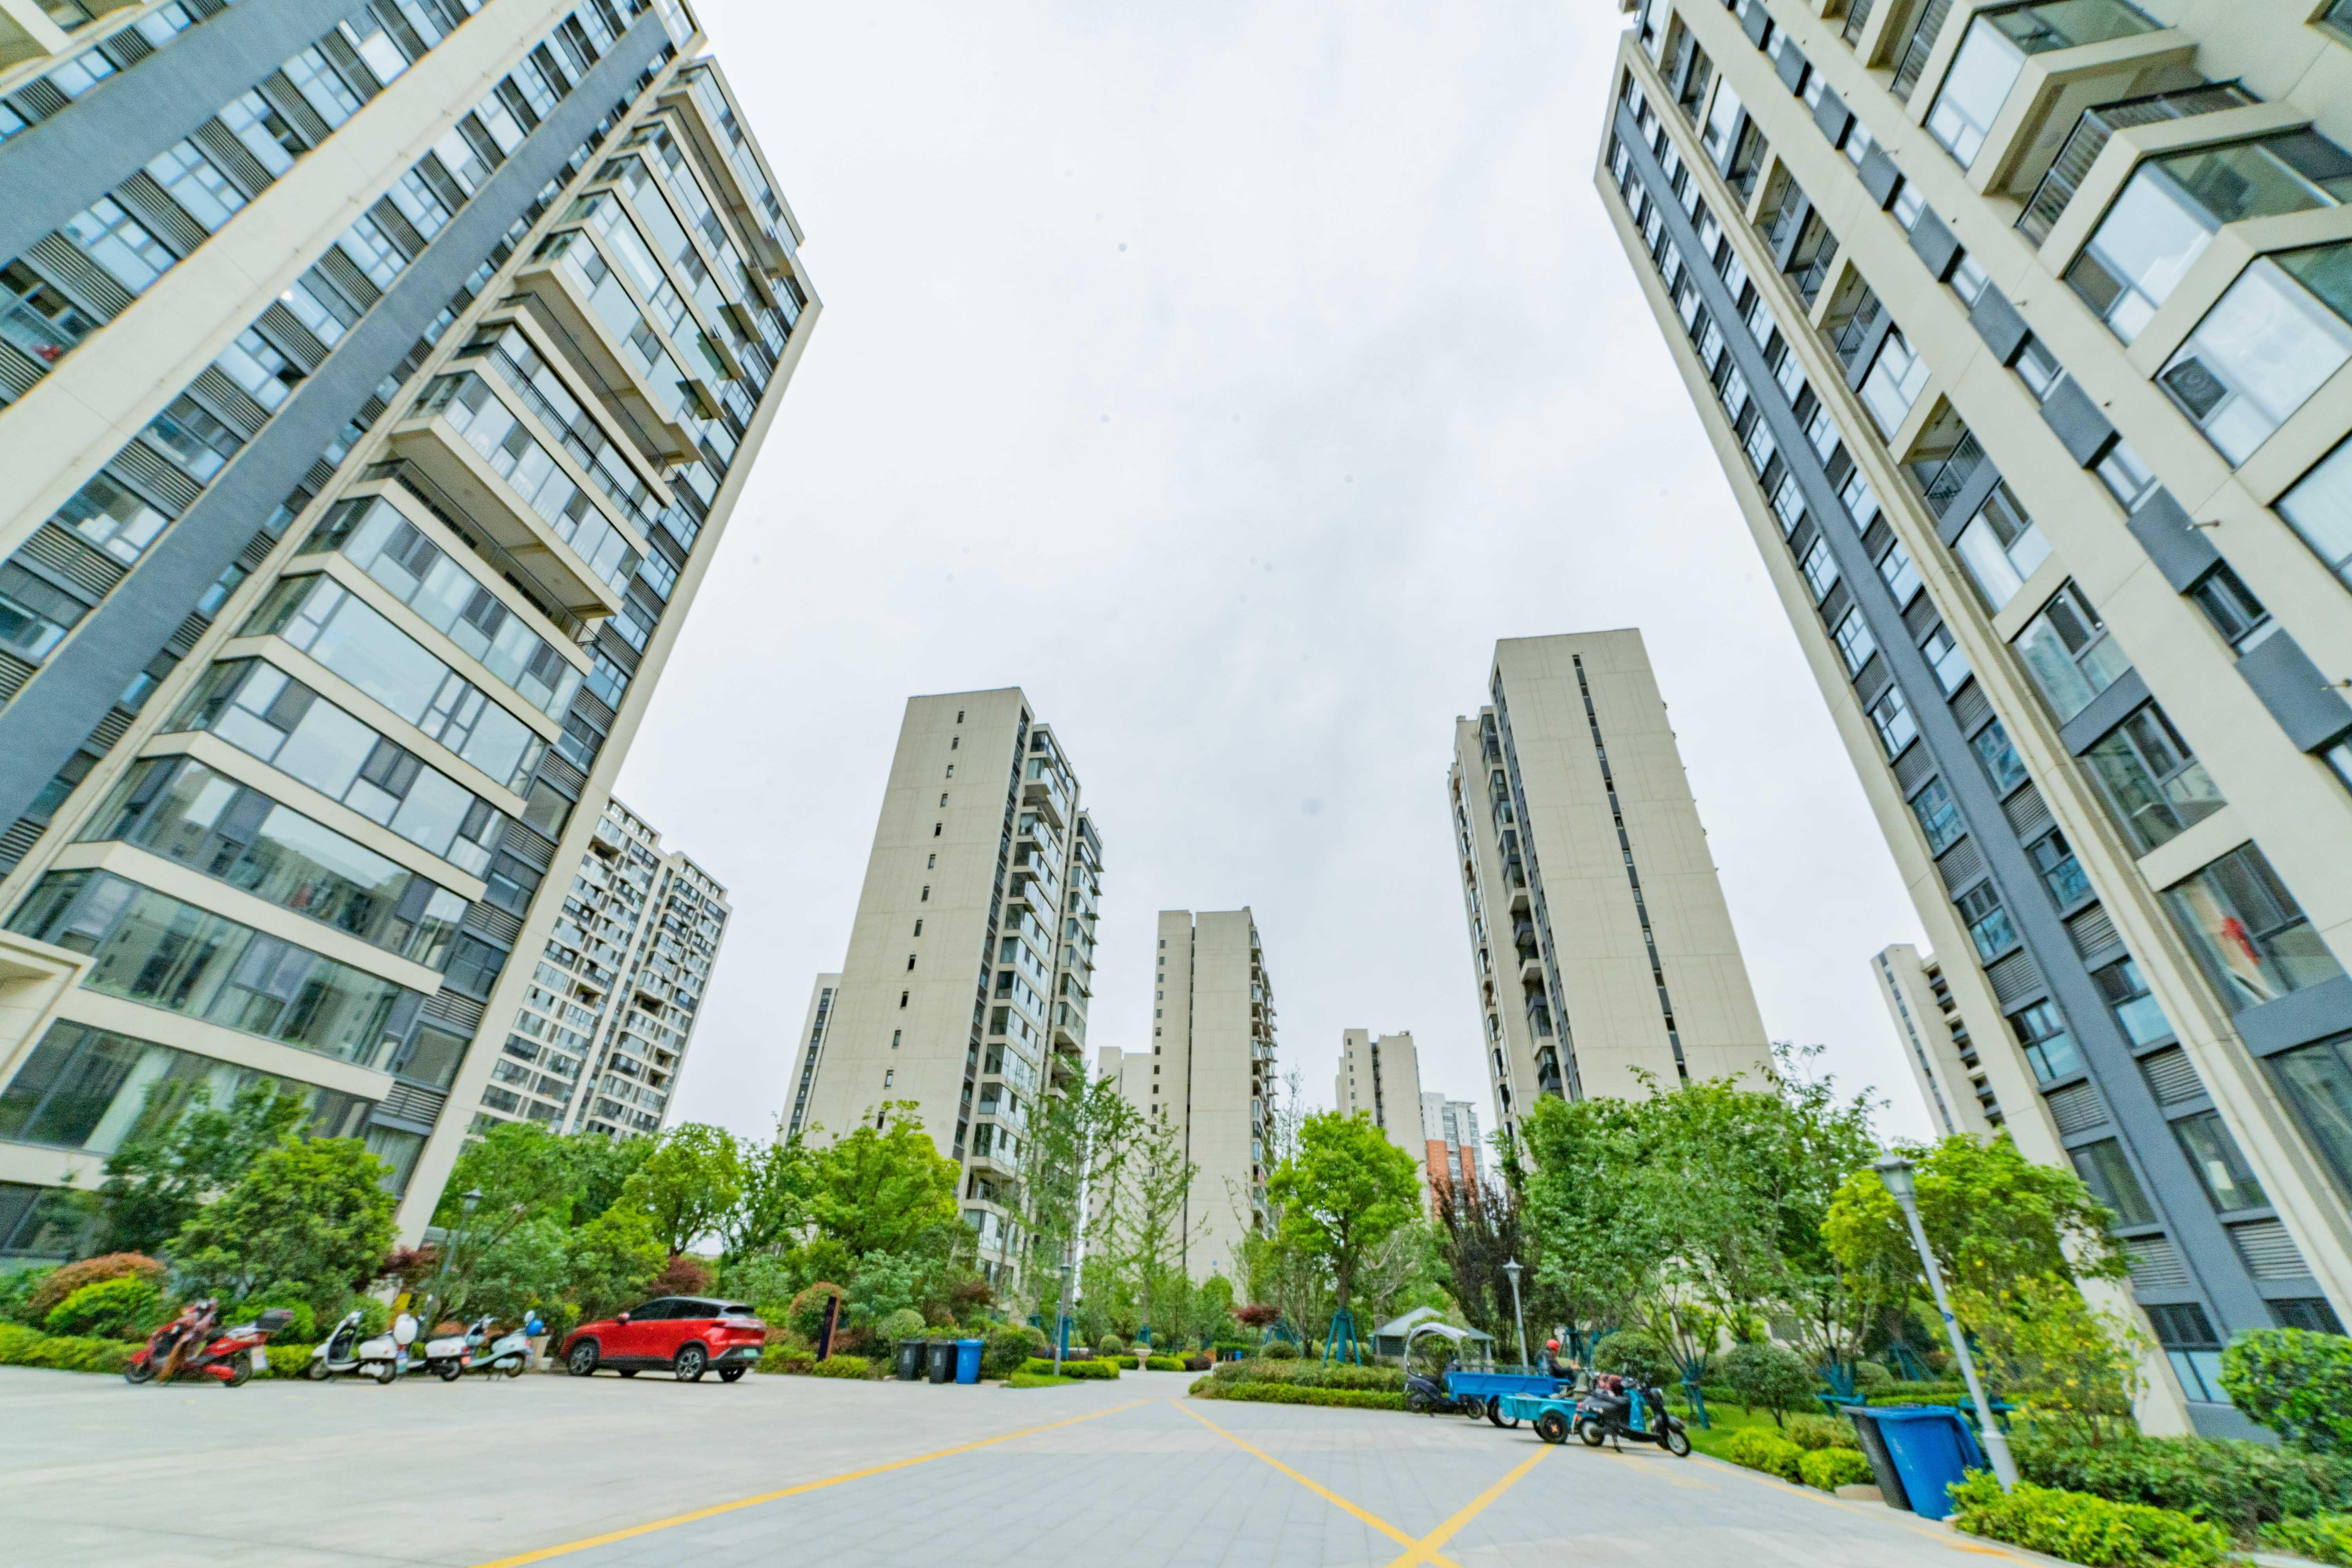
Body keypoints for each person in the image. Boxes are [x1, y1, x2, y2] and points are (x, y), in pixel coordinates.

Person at [524, 1307, 548, 1373]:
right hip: (527, 1338)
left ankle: (527, 1366)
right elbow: (543, 1331)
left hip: (528, 1338)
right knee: (528, 1351)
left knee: (528, 1351)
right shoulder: (530, 1325)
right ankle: (527, 1366)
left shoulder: (529, 1324)